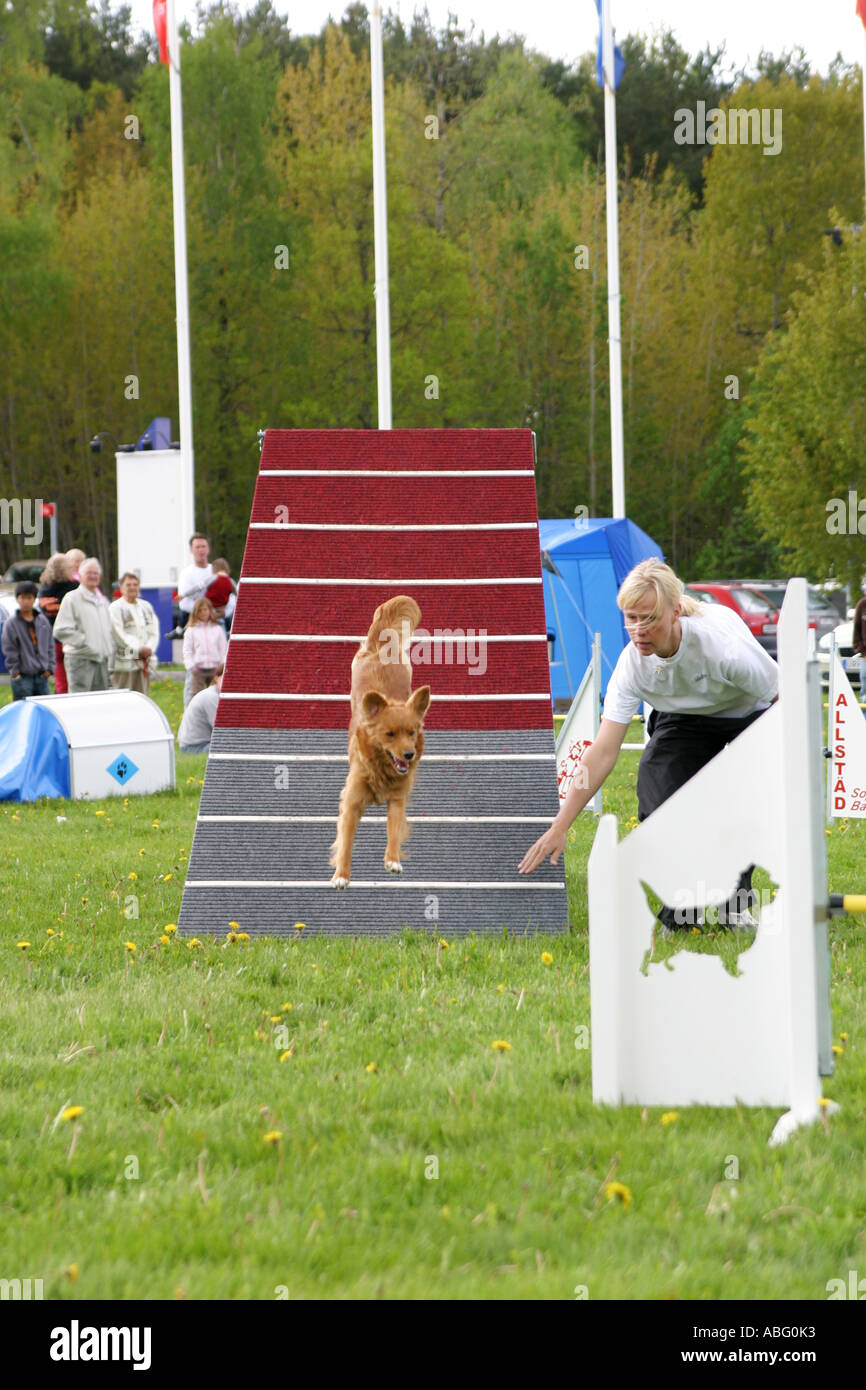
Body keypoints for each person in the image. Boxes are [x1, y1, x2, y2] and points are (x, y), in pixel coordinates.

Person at [518, 558, 779, 931]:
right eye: (630, 618)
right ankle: (684, 901)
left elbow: (783, 700)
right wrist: (561, 824)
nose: (638, 630)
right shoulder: (631, 666)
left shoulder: (724, 649)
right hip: (681, 721)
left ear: (675, 613)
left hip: (747, 715)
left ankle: (734, 907)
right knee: (659, 808)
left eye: (649, 618)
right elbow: (604, 751)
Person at [53, 557, 114, 692]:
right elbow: (61, 630)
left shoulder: (102, 601)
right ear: (80, 575)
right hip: (80, 660)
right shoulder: (72, 598)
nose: (93, 576)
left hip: (101, 660)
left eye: (96, 573)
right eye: (89, 573)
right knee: (80, 703)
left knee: (99, 704)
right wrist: (86, 643)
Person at [1, 582, 55, 699]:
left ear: (34, 599)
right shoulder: (11, 623)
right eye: (22, 598)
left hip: (42, 674)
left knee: (43, 708)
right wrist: (15, 671)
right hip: (23, 676)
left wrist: (50, 668)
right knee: (23, 711)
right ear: (17, 599)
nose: (26, 601)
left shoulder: (42, 621)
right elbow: (9, 648)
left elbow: (50, 645)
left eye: (29, 598)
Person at [109, 573, 160, 694]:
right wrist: (138, 649)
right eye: (128, 585)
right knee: (123, 699)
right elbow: (118, 633)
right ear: (121, 588)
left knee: (142, 697)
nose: (132, 587)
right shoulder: (115, 608)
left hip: (143, 662)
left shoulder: (146, 606)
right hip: (124, 662)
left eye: (135, 584)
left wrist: (148, 649)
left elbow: (154, 631)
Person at [38, 553, 78, 693]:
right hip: (69, 638)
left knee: (59, 675)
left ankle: (60, 696)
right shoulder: (73, 587)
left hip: (50, 638)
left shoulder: (44, 589)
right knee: (73, 676)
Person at [182, 597, 227, 705]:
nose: (203, 613)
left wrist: (221, 666)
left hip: (215, 669)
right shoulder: (191, 630)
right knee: (195, 696)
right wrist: (191, 666)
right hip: (198, 670)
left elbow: (223, 649)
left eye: (205, 609)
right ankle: (192, 718)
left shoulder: (217, 629)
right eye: (200, 610)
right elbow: (187, 650)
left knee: (217, 696)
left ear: (210, 610)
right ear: (195, 612)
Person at [169, 533, 213, 639]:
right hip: (195, 625)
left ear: (208, 549)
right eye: (197, 547)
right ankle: (179, 629)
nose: (200, 550)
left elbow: (230, 597)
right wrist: (206, 612)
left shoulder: (216, 571)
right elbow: (184, 604)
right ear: (191, 550)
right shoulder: (186, 574)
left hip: (217, 623)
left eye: (203, 546)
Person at [178, 663, 224, 753]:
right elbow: (221, 730)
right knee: (234, 748)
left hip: (199, 744)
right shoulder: (211, 697)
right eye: (225, 678)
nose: (228, 683)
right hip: (193, 747)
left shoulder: (216, 694)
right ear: (216, 678)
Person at [204, 557, 236, 632]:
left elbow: (201, 588)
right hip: (222, 611)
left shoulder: (213, 578)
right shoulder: (230, 581)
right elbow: (236, 596)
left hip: (210, 609)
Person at [852, 584, 866, 703]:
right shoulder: (862, 605)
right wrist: (862, 652)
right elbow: (856, 630)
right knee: (865, 692)